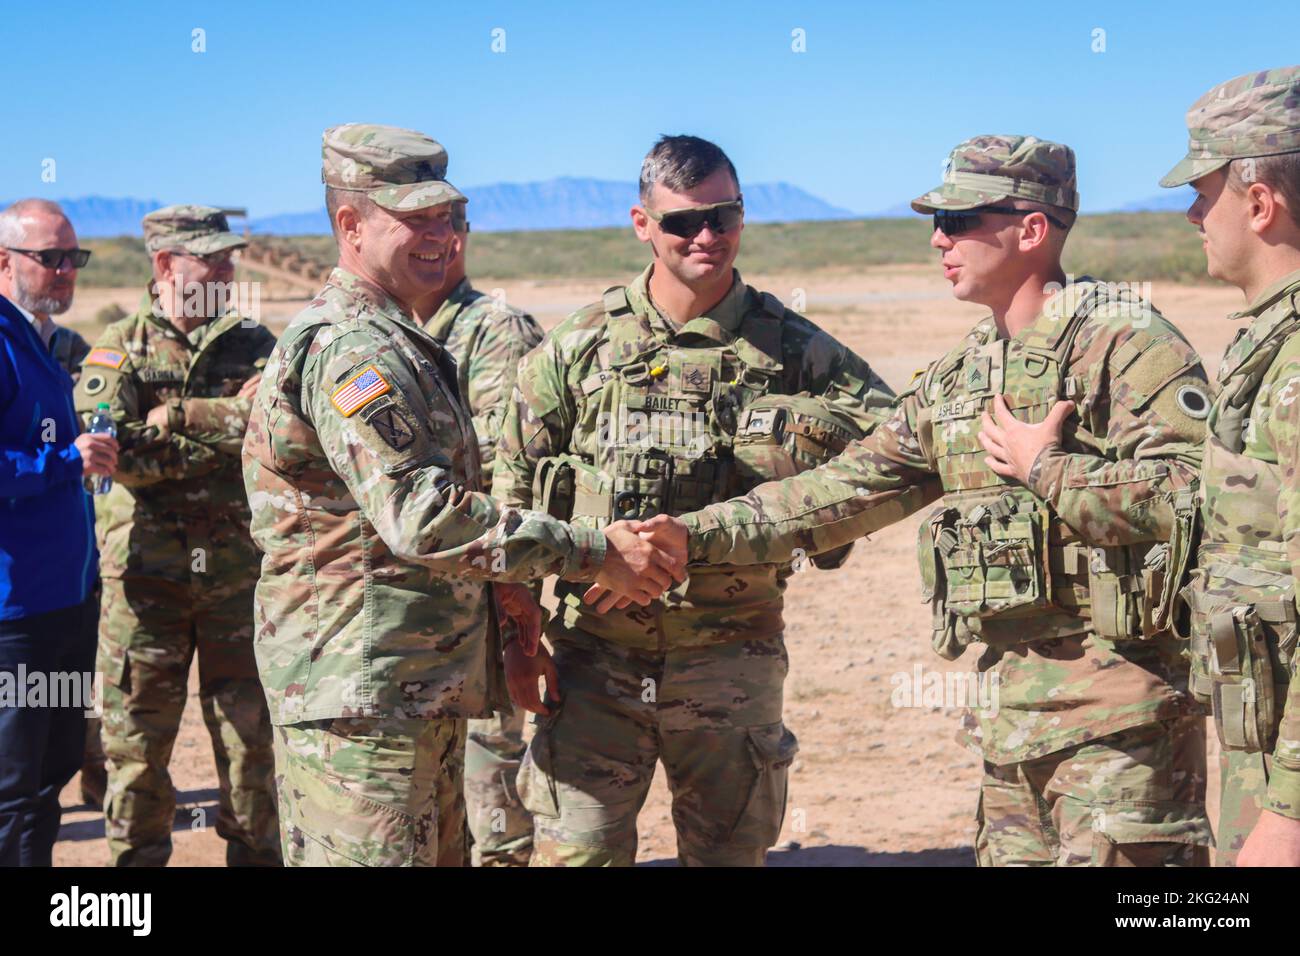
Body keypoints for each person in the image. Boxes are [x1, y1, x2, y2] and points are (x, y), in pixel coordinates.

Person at [636, 135, 1215, 866]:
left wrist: (1050, 470)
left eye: (961, 220)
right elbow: (841, 491)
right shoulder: (962, 374)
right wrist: (689, 536)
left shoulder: (1126, 345)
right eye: (934, 221)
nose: (940, 238)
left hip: (1123, 736)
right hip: (1010, 737)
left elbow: (1197, 498)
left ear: (1032, 229)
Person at [241, 123, 683, 867]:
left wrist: (509, 625)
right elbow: (421, 516)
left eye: (448, 216)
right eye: (415, 219)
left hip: (409, 693)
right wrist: (592, 552)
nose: (441, 235)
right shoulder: (354, 347)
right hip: (363, 701)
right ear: (350, 225)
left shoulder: (398, 336)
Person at [492, 134, 897, 866]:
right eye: (683, 222)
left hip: (732, 661)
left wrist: (786, 507)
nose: (706, 236)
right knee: (574, 855)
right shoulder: (580, 347)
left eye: (724, 216)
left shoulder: (797, 350)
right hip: (593, 665)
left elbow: (893, 456)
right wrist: (519, 645)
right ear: (642, 224)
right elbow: (511, 488)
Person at [74, 205, 280, 866]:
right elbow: (116, 457)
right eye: (211, 258)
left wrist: (179, 415)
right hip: (146, 583)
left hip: (234, 583)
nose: (227, 269)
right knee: (136, 749)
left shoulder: (256, 344)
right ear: (166, 265)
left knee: (251, 746)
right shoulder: (117, 347)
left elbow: (277, 432)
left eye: (229, 257)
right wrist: (225, 432)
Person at [1160, 65, 1300, 867]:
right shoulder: (1268, 341)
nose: (1190, 214)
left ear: (1257, 202)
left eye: (1203, 190)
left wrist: (1286, 818)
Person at [414, 201, 545, 866]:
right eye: (420, 231)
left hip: (482, 592)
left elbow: (507, 472)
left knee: (488, 773)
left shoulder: (493, 329)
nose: (435, 244)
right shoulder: (389, 329)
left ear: (463, 239)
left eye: (448, 231)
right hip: (409, 610)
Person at [0, 212, 116, 865]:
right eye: (50, 258)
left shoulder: (48, 341)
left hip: (68, 602)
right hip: (14, 616)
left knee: (53, 769)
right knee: (14, 790)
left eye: (76, 258)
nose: (66, 272)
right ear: (4, 261)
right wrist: (64, 461)